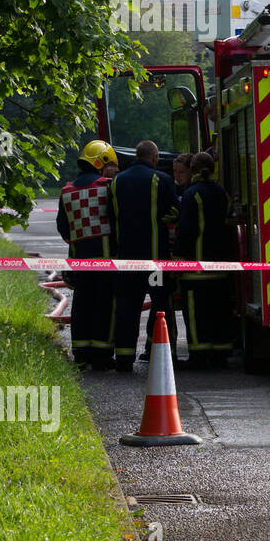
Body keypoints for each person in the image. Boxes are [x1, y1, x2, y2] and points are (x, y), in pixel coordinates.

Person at [110, 139, 180, 371]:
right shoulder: (162, 180)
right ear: (154, 157)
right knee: (161, 306)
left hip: (126, 261)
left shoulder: (117, 181)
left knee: (127, 307)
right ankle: (157, 353)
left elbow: (109, 216)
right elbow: (174, 212)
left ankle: (124, 357)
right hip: (154, 262)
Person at [56, 140, 118, 369]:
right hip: (105, 259)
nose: (113, 169)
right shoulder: (107, 187)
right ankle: (101, 355)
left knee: (81, 305)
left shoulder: (67, 191)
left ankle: (80, 353)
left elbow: (63, 228)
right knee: (104, 305)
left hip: (78, 260)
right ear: (100, 162)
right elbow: (115, 220)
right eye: (110, 163)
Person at [173, 152, 234, 368]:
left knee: (197, 314)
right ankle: (220, 354)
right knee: (219, 312)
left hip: (196, 267)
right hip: (222, 266)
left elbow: (186, 231)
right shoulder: (223, 193)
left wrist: (177, 260)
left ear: (193, 170)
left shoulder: (192, 195)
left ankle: (199, 355)